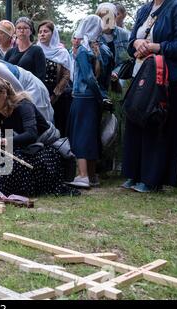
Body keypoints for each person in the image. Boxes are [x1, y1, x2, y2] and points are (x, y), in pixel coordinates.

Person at [0, 76, 78, 197]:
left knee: (14, 158)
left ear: (3, 94)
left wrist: (0, 142)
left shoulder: (23, 105)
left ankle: (13, 187)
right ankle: (4, 185)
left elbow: (31, 135)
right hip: (20, 148)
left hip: (43, 149)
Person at [122, 0, 177, 192]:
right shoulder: (144, 10)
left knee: (158, 126)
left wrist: (155, 47)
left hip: (167, 79)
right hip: (142, 76)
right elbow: (130, 44)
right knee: (136, 122)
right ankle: (134, 174)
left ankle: (152, 179)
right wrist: (137, 43)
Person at [67, 15, 114, 188]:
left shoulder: (83, 49)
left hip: (83, 98)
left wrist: (99, 95)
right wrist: (102, 96)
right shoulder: (104, 49)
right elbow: (106, 77)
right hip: (96, 99)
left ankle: (82, 175)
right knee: (92, 136)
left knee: (80, 136)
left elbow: (87, 77)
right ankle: (93, 176)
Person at [37, 20, 73, 137]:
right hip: (37, 94)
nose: (42, 34)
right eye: (40, 32)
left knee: (58, 125)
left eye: (46, 31)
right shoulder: (35, 50)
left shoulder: (61, 52)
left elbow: (66, 75)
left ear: (53, 34)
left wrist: (55, 94)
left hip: (57, 96)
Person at [95, 3, 130, 92]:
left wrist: (116, 72)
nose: (106, 19)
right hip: (98, 80)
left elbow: (127, 59)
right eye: (103, 17)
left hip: (120, 78)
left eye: (109, 17)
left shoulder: (124, 34)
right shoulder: (93, 36)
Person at [4, 17, 46, 82]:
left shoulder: (37, 50)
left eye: (25, 28)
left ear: (31, 31)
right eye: (19, 28)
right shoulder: (10, 52)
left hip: (30, 88)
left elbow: (41, 75)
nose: (22, 31)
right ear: (15, 31)